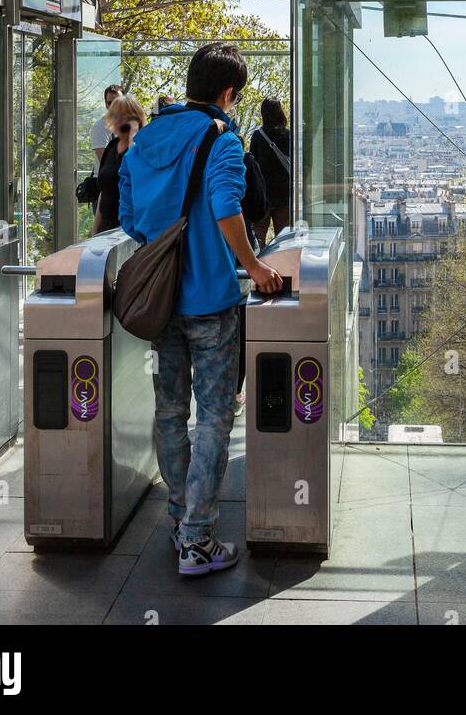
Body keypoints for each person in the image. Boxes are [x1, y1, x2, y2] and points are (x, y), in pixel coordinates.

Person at [118, 42, 282, 577]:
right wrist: (254, 267)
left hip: (159, 304)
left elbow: (130, 218)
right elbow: (226, 207)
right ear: (229, 93)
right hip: (211, 301)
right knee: (214, 417)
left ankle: (176, 519)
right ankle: (198, 539)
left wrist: (164, 250)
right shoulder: (223, 139)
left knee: (170, 411)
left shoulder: (143, 141)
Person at [234, 133, 268, 415]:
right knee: (241, 320)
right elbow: (258, 207)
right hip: (238, 252)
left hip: (193, 258)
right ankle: (234, 389)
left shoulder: (180, 155)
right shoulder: (242, 160)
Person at [92, 94, 146, 235]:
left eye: (124, 116)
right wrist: (94, 231)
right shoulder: (111, 146)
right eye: (114, 116)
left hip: (129, 229)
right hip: (106, 228)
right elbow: (104, 191)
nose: (118, 121)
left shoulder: (141, 148)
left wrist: (133, 135)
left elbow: (136, 177)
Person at [250, 97, 291, 244]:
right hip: (284, 194)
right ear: (280, 112)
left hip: (263, 196)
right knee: (283, 240)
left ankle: (258, 264)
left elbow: (252, 165)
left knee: (258, 237)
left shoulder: (258, 136)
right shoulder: (289, 136)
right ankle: (280, 267)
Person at [91, 84, 122, 173]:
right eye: (110, 103)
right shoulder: (100, 127)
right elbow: (105, 162)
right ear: (106, 104)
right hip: (109, 183)